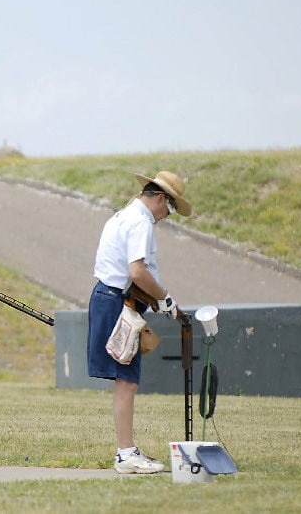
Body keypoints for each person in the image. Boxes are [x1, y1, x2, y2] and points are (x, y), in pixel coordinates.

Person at [86, 171, 192, 474]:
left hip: (113, 299)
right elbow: (137, 272)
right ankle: (125, 453)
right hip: (118, 302)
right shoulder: (141, 222)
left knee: (127, 378)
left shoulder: (123, 215)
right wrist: (166, 299)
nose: (167, 216)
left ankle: (126, 450)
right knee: (127, 380)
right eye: (170, 208)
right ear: (160, 198)